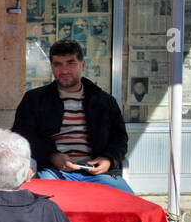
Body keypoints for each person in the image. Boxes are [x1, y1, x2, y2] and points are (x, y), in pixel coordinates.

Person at [11, 39, 133, 194]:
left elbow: (120, 139)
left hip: (97, 173)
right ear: (51, 67)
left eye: (71, 63)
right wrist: (51, 156)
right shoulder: (34, 99)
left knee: (126, 201)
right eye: (58, 64)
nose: (64, 70)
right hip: (52, 172)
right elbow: (22, 136)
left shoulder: (104, 101)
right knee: (43, 202)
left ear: (82, 65)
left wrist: (108, 159)